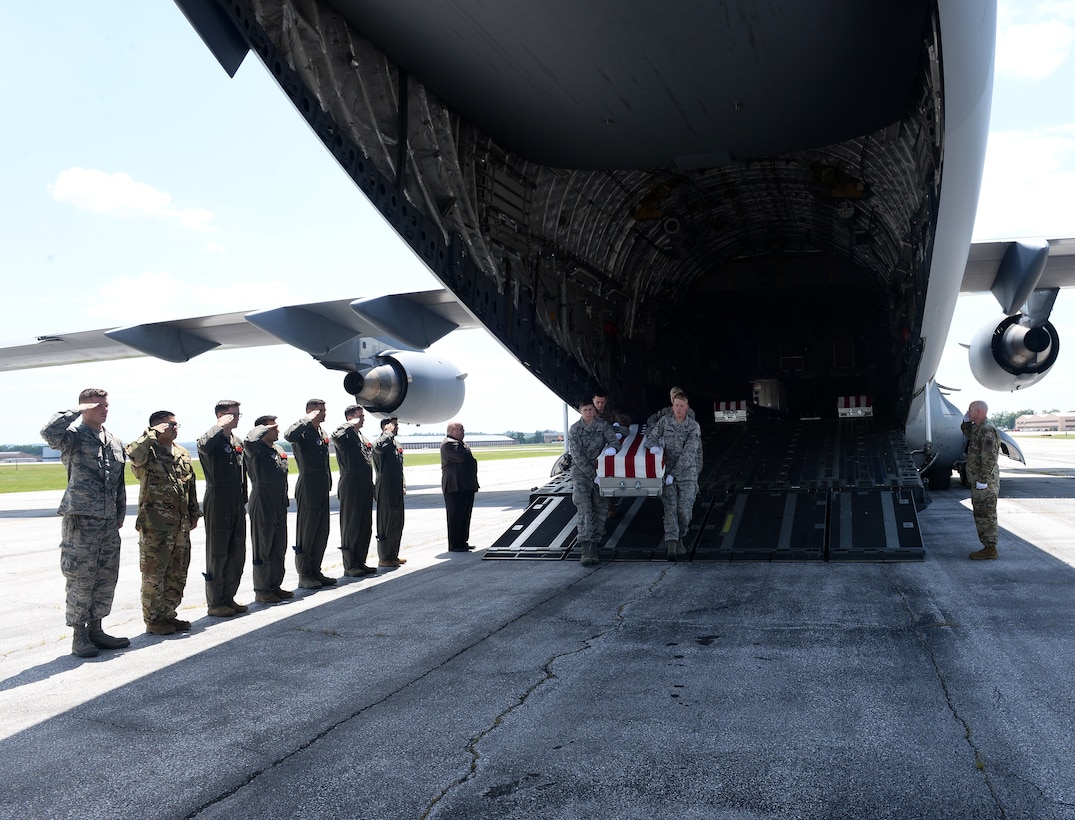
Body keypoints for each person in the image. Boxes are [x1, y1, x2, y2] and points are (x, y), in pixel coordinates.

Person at [41, 388, 129, 658]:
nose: (105, 409)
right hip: (81, 520)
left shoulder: (114, 441)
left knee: (105, 577)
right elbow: (48, 433)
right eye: (98, 405)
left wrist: (119, 514)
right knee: (81, 578)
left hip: (107, 522)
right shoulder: (73, 438)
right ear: (85, 407)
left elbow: (119, 482)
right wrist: (75, 410)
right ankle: (79, 634)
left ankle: (97, 628)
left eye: (106, 404)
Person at [127, 411, 201, 636]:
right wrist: (150, 434)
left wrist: (194, 512)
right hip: (155, 525)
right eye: (170, 424)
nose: (176, 427)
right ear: (158, 427)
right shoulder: (147, 452)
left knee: (177, 572)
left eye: (177, 424)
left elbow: (190, 484)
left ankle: (169, 613)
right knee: (153, 573)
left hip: (180, 524)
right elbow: (132, 454)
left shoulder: (182, 453)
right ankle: (153, 619)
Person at [196, 400, 248, 618]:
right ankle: (216, 602)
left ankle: (229, 597)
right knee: (218, 552)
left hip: (236, 499)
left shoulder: (236, 440)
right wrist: (219, 426)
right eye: (232, 414)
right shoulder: (212, 439)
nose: (236, 418)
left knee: (237, 552)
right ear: (220, 415)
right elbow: (203, 445)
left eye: (238, 414)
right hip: (218, 499)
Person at [644, 392, 703, 561]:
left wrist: (673, 474)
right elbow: (650, 437)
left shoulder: (693, 427)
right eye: (676, 405)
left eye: (681, 406)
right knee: (670, 510)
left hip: (686, 474)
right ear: (672, 407)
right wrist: (654, 447)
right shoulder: (664, 422)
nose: (678, 409)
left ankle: (681, 537)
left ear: (687, 408)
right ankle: (672, 543)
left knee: (684, 512)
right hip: (666, 473)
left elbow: (689, 453)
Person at [285, 399, 334, 589]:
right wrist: (306, 419)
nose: (323, 413)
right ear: (310, 412)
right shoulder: (303, 431)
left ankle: (315, 570)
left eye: (324, 410)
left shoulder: (321, 432)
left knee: (321, 530)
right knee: (308, 530)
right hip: (308, 485)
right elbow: (289, 435)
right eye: (319, 410)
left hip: (322, 486)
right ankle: (304, 574)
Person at [244, 416, 293, 603]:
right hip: (262, 500)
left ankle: (275, 585)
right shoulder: (255, 449)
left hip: (279, 501)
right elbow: (250, 439)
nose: (278, 431)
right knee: (263, 546)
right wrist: (263, 428)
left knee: (278, 546)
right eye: (274, 428)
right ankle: (262, 589)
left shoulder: (278, 449)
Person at [568, 398, 621, 567]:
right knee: (584, 510)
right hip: (582, 475)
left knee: (600, 508)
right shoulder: (575, 429)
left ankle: (595, 546)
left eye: (591, 409)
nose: (589, 412)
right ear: (580, 411)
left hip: (601, 473)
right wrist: (593, 475)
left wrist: (612, 448)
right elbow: (577, 456)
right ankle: (586, 548)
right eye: (586, 410)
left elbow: (614, 440)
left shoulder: (602, 425)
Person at [331, 404, 377, 576]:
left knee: (365, 525)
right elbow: (336, 436)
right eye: (360, 416)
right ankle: (350, 565)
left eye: (363, 416)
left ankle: (360, 561)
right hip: (351, 484)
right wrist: (350, 424)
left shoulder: (361, 436)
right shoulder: (346, 435)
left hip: (364, 484)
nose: (363, 419)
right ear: (350, 418)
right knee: (352, 525)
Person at [962, 400, 1001, 560]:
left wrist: (983, 479)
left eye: (970, 410)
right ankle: (988, 546)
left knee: (986, 514)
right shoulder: (978, 428)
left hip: (985, 481)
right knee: (980, 513)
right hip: (979, 479)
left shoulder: (987, 430)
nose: (968, 412)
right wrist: (965, 422)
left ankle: (990, 549)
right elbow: (969, 434)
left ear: (978, 412)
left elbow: (989, 458)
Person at [373, 417, 407, 568]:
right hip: (385, 486)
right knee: (386, 522)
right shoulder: (382, 441)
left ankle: (393, 554)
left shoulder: (395, 443)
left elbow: (400, 467)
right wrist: (387, 433)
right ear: (385, 427)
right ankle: (385, 556)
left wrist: (403, 485)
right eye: (394, 425)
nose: (397, 428)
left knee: (397, 522)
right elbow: (378, 447)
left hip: (396, 486)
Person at [440, 421, 479, 552]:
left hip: (465, 485)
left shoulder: (460, 444)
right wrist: (467, 451)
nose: (463, 431)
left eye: (463, 428)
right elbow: (463, 457)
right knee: (455, 515)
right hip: (455, 485)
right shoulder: (449, 444)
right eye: (460, 429)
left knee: (465, 514)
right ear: (451, 431)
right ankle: (455, 543)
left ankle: (462, 541)